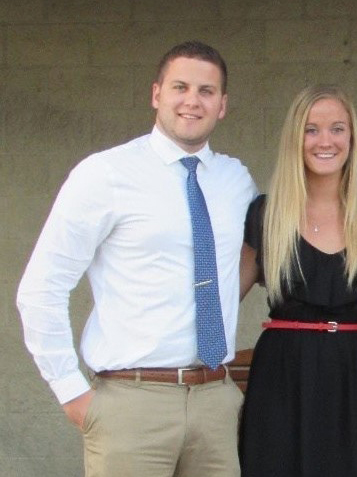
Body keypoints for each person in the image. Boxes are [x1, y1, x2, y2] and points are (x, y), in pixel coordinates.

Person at [17, 41, 256, 477]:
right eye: (180, 86)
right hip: (132, 401)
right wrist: (71, 391)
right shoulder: (105, 174)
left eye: (207, 91)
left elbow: (243, 260)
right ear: (155, 94)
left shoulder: (235, 180)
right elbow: (41, 288)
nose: (192, 100)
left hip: (214, 400)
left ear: (223, 105)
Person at [238, 85, 357, 477]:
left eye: (337, 129)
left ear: (352, 137)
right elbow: (223, 300)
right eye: (312, 130)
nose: (325, 141)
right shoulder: (266, 214)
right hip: (282, 376)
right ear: (296, 137)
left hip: (356, 377)